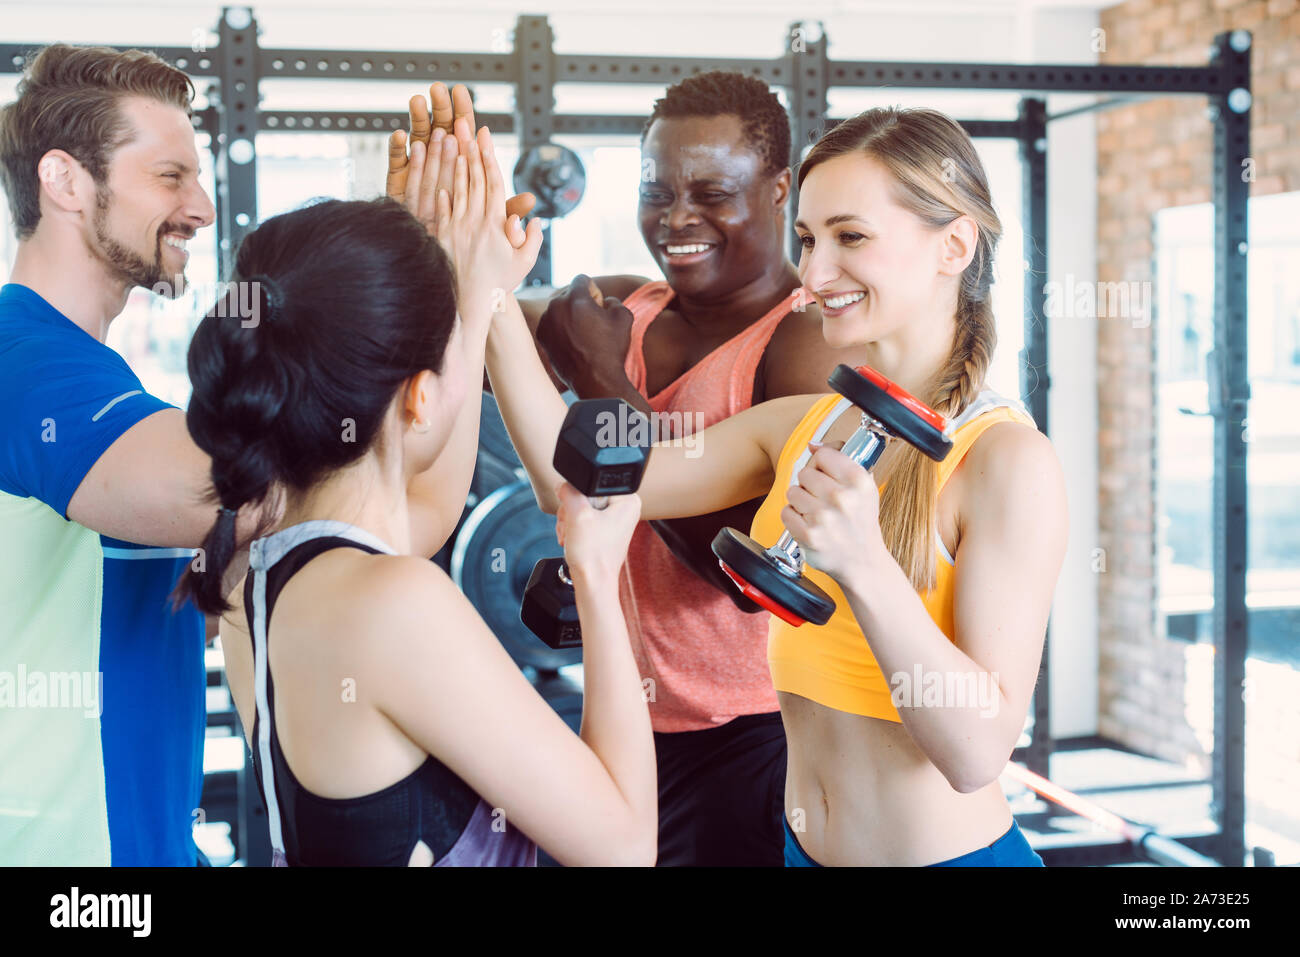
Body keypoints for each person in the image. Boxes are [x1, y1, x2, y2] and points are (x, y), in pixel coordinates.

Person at [485, 105, 1068, 866]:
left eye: (850, 237)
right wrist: (487, 293)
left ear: (953, 244)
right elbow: (585, 478)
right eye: (808, 238)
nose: (817, 273)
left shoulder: (1006, 462)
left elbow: (977, 753)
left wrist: (862, 564)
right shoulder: (803, 427)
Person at [0, 44, 486, 867]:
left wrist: (415, 286)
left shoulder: (80, 371)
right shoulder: (28, 367)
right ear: (66, 181)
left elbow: (390, 520)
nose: (200, 209)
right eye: (169, 176)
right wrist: (448, 288)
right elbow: (367, 514)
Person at [387, 74, 868, 866]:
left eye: (712, 192)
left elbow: (744, 571)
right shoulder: (619, 309)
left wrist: (603, 380)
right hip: (623, 718)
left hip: (754, 738)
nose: (678, 218)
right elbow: (458, 331)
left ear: (781, 189)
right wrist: (437, 237)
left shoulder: (805, 342)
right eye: (657, 191)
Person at [187, 123, 657, 866]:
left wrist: (467, 288)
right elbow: (625, 846)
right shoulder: (394, 600)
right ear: (420, 398)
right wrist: (599, 576)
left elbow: (424, 511)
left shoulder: (261, 570)